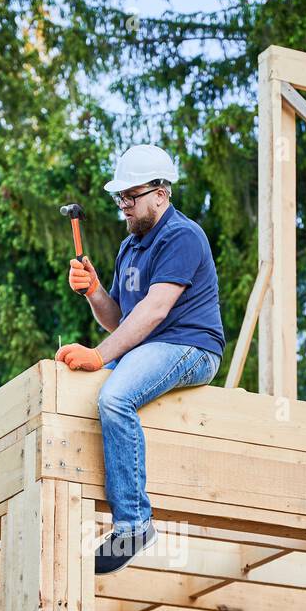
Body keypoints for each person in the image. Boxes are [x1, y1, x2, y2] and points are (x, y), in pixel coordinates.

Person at [56, 144, 224, 574]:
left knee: (114, 398)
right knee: (75, 390)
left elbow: (154, 312)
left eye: (131, 196)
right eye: (120, 199)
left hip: (191, 347)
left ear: (161, 194)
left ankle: (133, 524)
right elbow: (121, 321)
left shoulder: (182, 237)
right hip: (147, 348)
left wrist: (98, 356)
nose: (124, 207)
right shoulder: (130, 248)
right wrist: (94, 291)